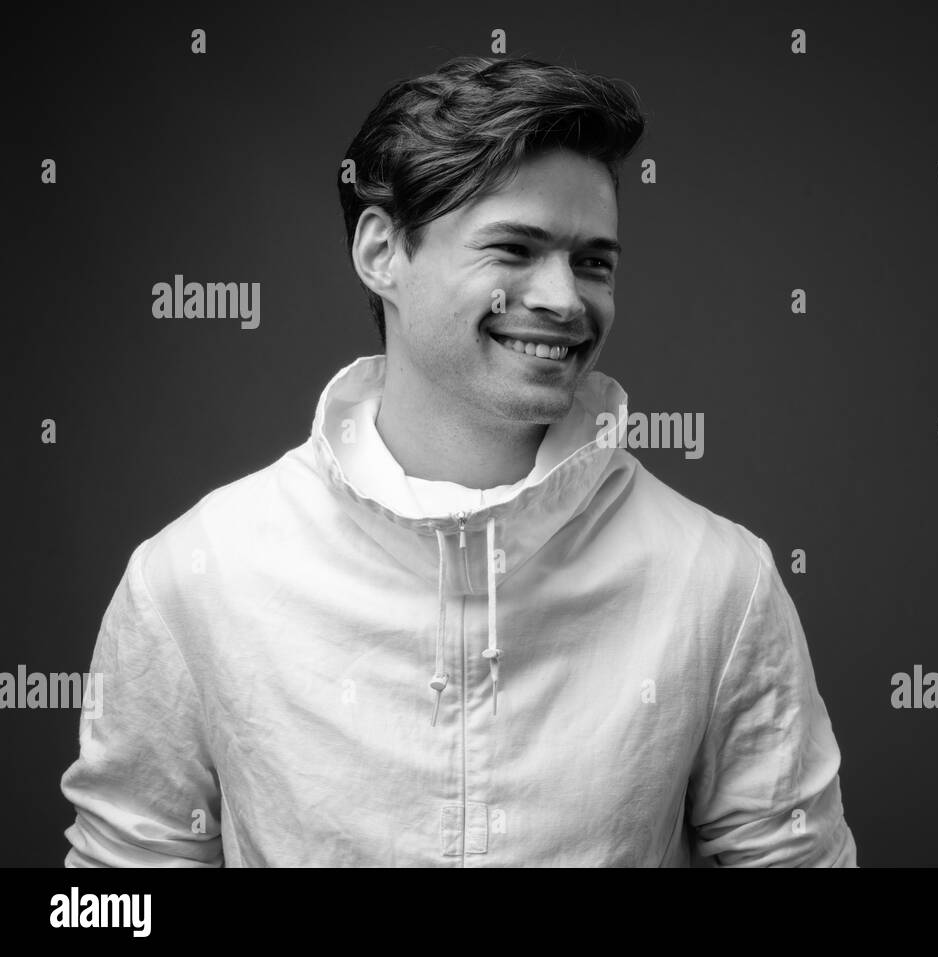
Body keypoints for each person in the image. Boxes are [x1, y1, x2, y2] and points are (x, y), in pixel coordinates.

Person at [59, 55, 858, 867]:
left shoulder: (718, 581)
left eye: (593, 261)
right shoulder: (197, 574)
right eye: (514, 248)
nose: (565, 298)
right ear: (382, 253)